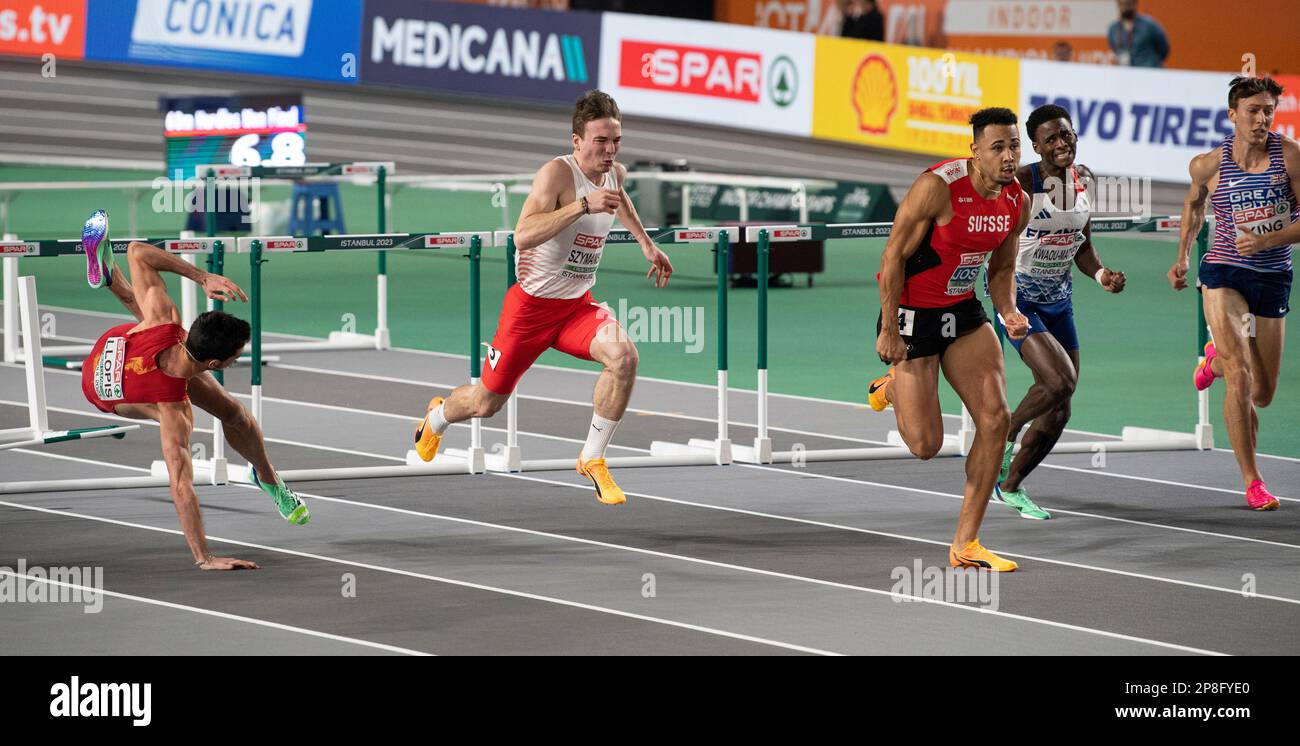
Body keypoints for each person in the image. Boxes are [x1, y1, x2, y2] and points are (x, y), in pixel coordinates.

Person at [413, 91, 673, 505]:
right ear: (577, 141)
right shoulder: (556, 175)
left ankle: (592, 457)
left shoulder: (615, 173)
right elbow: (523, 235)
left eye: (616, 141)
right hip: (529, 310)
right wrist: (581, 206)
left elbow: (618, 198)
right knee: (485, 404)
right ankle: (438, 416)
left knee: (624, 357)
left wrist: (646, 243)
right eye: (600, 141)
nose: (609, 151)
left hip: (575, 308)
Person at [80, 210, 310, 570]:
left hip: (115, 346)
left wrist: (203, 276)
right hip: (103, 390)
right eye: (236, 356)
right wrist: (206, 557)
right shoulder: (174, 410)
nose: (239, 358)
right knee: (214, 422)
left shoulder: (167, 321)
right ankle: (110, 278)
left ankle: (266, 477)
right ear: (216, 364)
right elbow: (180, 487)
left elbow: (138, 250)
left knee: (232, 412)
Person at [867, 108, 1031, 572]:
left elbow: (1000, 270)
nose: (1008, 156)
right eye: (997, 147)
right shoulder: (938, 188)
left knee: (997, 419)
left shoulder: (1016, 199)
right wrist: (889, 328)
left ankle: (966, 543)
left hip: (961, 309)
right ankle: (894, 385)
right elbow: (892, 256)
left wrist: (1009, 311)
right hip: (912, 312)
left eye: (1014, 146)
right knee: (925, 445)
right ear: (974, 151)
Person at [991, 105, 1126, 520]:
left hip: (1059, 300)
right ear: (1036, 146)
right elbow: (999, 245)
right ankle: (1005, 431)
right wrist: (1006, 305)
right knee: (1059, 379)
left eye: (1065, 135)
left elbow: (1081, 241)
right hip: (1019, 299)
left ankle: (1010, 487)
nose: (1061, 144)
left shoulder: (1083, 179)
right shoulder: (1022, 183)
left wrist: (1101, 273)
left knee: (1061, 405)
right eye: (1051, 139)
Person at [1169, 76, 1298, 511]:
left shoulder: (1290, 158)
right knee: (1241, 377)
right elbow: (1193, 204)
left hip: (1272, 276)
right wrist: (1184, 256)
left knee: (1262, 392)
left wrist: (1267, 240)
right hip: (1223, 273)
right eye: (1253, 111)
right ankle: (1253, 480)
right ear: (1233, 114)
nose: (1262, 119)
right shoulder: (1209, 164)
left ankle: (1214, 360)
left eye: (1269, 111)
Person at [1107, 0, 1168, 68]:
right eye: (1122, 4)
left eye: (1128, 4)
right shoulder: (1113, 29)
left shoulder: (1149, 25)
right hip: (1127, 72)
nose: (1125, 8)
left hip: (1149, 71)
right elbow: (1114, 49)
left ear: (1135, 4)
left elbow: (1164, 49)